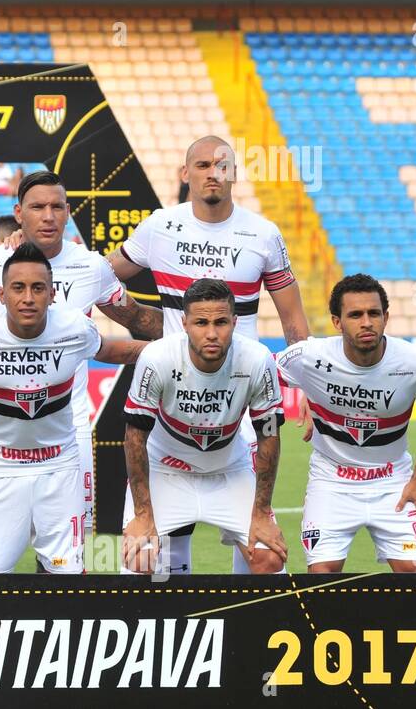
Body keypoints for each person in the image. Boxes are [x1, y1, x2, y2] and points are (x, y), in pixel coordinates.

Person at [107, 135, 309, 574]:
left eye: (222, 165)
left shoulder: (263, 234)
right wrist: (31, 254)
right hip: (174, 392)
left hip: (242, 394)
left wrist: (307, 388)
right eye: (202, 165)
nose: (213, 173)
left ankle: (241, 630)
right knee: (157, 551)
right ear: (186, 174)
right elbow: (99, 275)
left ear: (234, 173)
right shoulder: (160, 226)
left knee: (263, 551)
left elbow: (293, 318)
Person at [0, 170, 163, 538]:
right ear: (19, 212)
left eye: (57, 206)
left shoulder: (92, 266)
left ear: (69, 212)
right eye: (38, 207)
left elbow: (134, 317)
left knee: (69, 546)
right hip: (0, 442)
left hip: (69, 432)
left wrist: (191, 332)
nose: (49, 216)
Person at [0, 242, 146, 573]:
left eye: (38, 288)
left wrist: (174, 350)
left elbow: (114, 351)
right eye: (18, 288)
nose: (27, 298)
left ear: (52, 294)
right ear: (1, 293)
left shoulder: (75, 329)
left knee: (67, 576)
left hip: (59, 470)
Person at [277, 274, 416, 573]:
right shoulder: (309, 357)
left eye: (373, 313)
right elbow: (259, 374)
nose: (366, 322)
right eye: (355, 315)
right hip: (331, 482)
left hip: (394, 481)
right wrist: (308, 388)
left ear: (386, 317)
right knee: (321, 574)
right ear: (337, 322)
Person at [121, 279, 287, 574]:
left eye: (221, 322)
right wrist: (143, 514)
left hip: (229, 471)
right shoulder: (157, 358)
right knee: (140, 561)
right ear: (184, 323)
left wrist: (261, 513)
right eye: (201, 322)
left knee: (269, 561)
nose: (212, 333)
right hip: (166, 470)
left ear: (235, 322)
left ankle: (239, 619)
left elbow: (269, 435)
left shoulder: (258, 360)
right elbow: (134, 438)